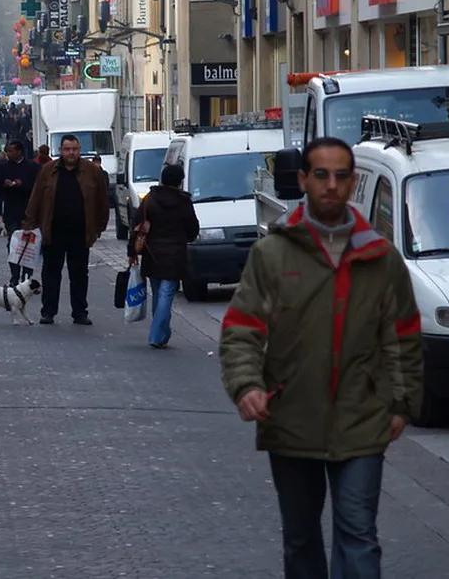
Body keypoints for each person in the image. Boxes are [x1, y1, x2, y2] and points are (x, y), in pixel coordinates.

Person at [220, 138, 423, 579]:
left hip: (362, 419)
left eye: (341, 175)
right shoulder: (272, 254)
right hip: (291, 417)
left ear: (352, 183)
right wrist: (247, 385)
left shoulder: (380, 257)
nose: (331, 185)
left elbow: (403, 336)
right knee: (301, 538)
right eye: (321, 175)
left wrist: (401, 402)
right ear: (303, 181)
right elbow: (241, 327)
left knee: (359, 537)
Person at [23, 135, 109, 326]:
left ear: (80, 150)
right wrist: (29, 224)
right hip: (53, 231)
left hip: (80, 232)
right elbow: (36, 198)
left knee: (79, 274)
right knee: (51, 272)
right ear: (61, 150)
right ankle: (48, 312)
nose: (71, 153)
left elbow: (102, 201)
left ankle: (79, 312)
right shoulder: (48, 171)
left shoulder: (91, 171)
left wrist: (98, 228)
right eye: (68, 149)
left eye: (75, 149)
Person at [131, 164, 199, 348]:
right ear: (180, 181)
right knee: (166, 294)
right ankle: (157, 334)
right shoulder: (184, 202)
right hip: (174, 255)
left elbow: (137, 223)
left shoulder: (150, 199)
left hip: (152, 253)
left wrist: (133, 250)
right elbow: (192, 229)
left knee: (158, 293)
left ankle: (161, 332)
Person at [0, 140, 39, 286]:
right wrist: (4, 184)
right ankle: (14, 275)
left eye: (11, 151)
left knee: (28, 245)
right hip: (11, 211)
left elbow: (37, 187)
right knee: (13, 244)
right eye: (8, 151)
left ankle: (26, 276)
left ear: (19, 151)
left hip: (29, 212)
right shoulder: (4, 167)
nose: (9, 153)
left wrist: (22, 184)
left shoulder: (32, 167)